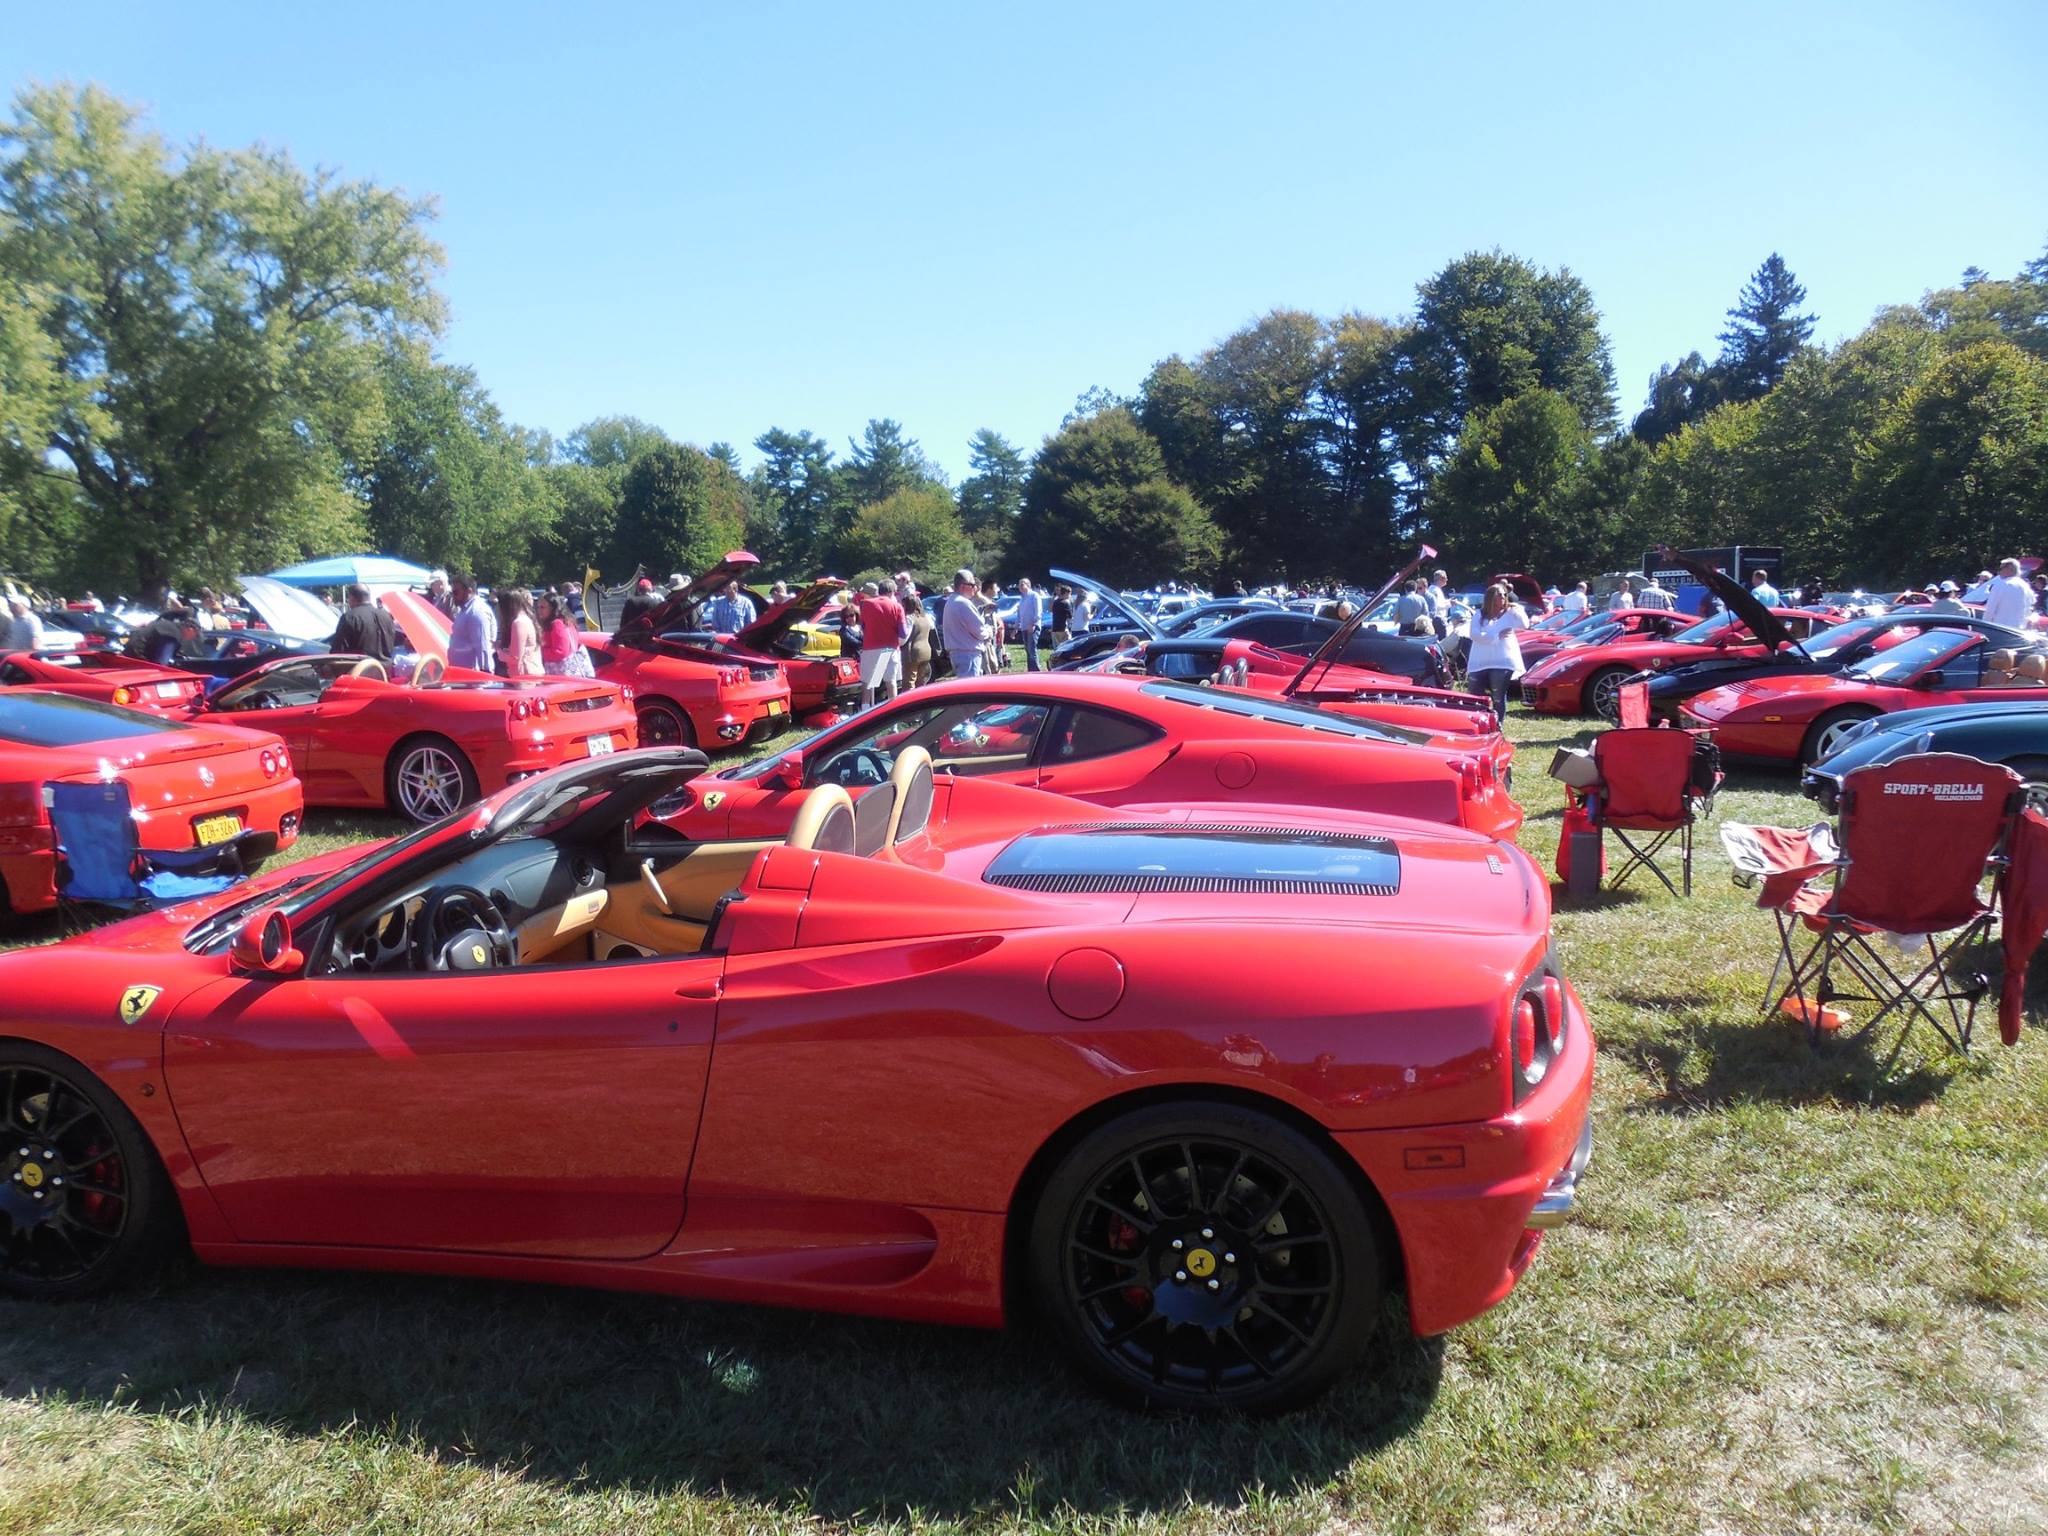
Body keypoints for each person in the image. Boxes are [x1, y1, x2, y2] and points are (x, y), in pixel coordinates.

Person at [1465, 582, 1528, 723]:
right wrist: (1495, 637)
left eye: (1505, 595)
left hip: (1502, 661)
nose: (1504, 598)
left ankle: (1497, 725)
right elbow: (1474, 634)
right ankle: (1477, 722)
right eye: (1500, 595)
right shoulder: (1479, 615)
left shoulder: (1510, 613)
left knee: (1498, 696)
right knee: (1475, 694)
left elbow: (1525, 625)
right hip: (1480, 661)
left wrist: (1519, 609)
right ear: (1491, 598)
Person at [852, 580, 906, 708]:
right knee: (891, 682)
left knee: (869, 683)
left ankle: (865, 714)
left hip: (870, 648)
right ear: (892, 591)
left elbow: (863, 626)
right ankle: (894, 722)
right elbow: (903, 633)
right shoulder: (897, 606)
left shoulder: (865, 605)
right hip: (889, 649)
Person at [941, 568, 992, 677]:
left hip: (959, 654)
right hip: (968, 655)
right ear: (964, 586)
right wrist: (988, 631)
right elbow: (979, 631)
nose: (976, 589)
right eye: (973, 585)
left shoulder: (951, 601)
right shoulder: (963, 603)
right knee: (972, 692)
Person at [330, 584, 397, 660]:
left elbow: (338, 651)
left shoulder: (350, 617)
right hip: (385, 669)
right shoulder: (387, 616)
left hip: (359, 668)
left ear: (352, 597)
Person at [447, 574, 497, 672]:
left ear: (469, 591)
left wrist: (485, 674)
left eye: (456, 592)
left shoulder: (477, 611)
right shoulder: (465, 610)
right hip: (462, 674)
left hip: (474, 678)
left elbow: (483, 646)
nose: (453, 596)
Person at [537, 593, 594, 677]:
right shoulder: (567, 620)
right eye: (538, 607)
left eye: (542, 607)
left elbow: (560, 651)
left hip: (562, 673)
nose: (539, 610)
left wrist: (539, 652)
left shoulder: (557, 623)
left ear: (553, 608)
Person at [126, 604, 194, 665]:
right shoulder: (173, 633)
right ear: (190, 629)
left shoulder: (162, 624)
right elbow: (162, 662)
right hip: (139, 661)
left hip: (128, 655)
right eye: (195, 634)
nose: (192, 638)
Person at [1983, 558, 2034, 631]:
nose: (1999, 571)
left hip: (1999, 629)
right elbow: (2029, 610)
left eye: (2001, 568)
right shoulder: (2026, 587)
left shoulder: (2001, 584)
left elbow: (1990, 609)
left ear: (2009, 569)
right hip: (2018, 631)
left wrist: (1985, 627)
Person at [901, 596, 935, 688]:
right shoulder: (926, 617)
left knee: (909, 682)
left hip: (912, 653)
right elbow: (932, 627)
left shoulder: (909, 618)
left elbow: (903, 639)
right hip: (926, 651)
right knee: (921, 682)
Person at [1013, 577, 1044, 671]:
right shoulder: (1022, 599)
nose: (1020, 587)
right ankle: (1030, 671)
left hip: (1033, 627)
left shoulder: (1034, 596)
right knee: (1028, 650)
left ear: (1028, 585)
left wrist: (1034, 623)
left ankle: (1037, 672)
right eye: (1019, 585)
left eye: (1022, 584)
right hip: (1024, 627)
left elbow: (1038, 611)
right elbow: (1019, 614)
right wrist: (1015, 627)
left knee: (1032, 649)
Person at [1426, 569, 1452, 638]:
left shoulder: (1433, 589)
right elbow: (1436, 606)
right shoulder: (1435, 591)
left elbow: (1439, 602)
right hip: (1438, 620)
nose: (1447, 580)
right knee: (1442, 641)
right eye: (1445, 578)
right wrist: (1450, 604)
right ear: (1441, 579)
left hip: (1435, 619)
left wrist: (1448, 601)